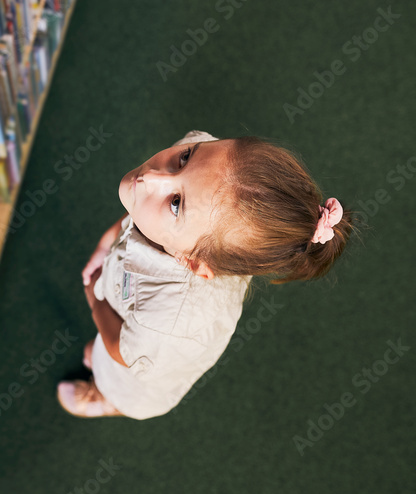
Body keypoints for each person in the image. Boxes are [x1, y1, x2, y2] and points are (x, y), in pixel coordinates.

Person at [57, 131, 354, 419]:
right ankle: (96, 356)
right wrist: (106, 242)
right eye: (183, 158)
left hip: (140, 367)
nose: (151, 177)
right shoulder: (205, 166)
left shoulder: (169, 323)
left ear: (193, 261)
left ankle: (105, 397)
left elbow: (124, 351)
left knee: (117, 375)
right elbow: (137, 212)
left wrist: (98, 304)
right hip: (133, 310)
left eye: (176, 203)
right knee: (101, 347)